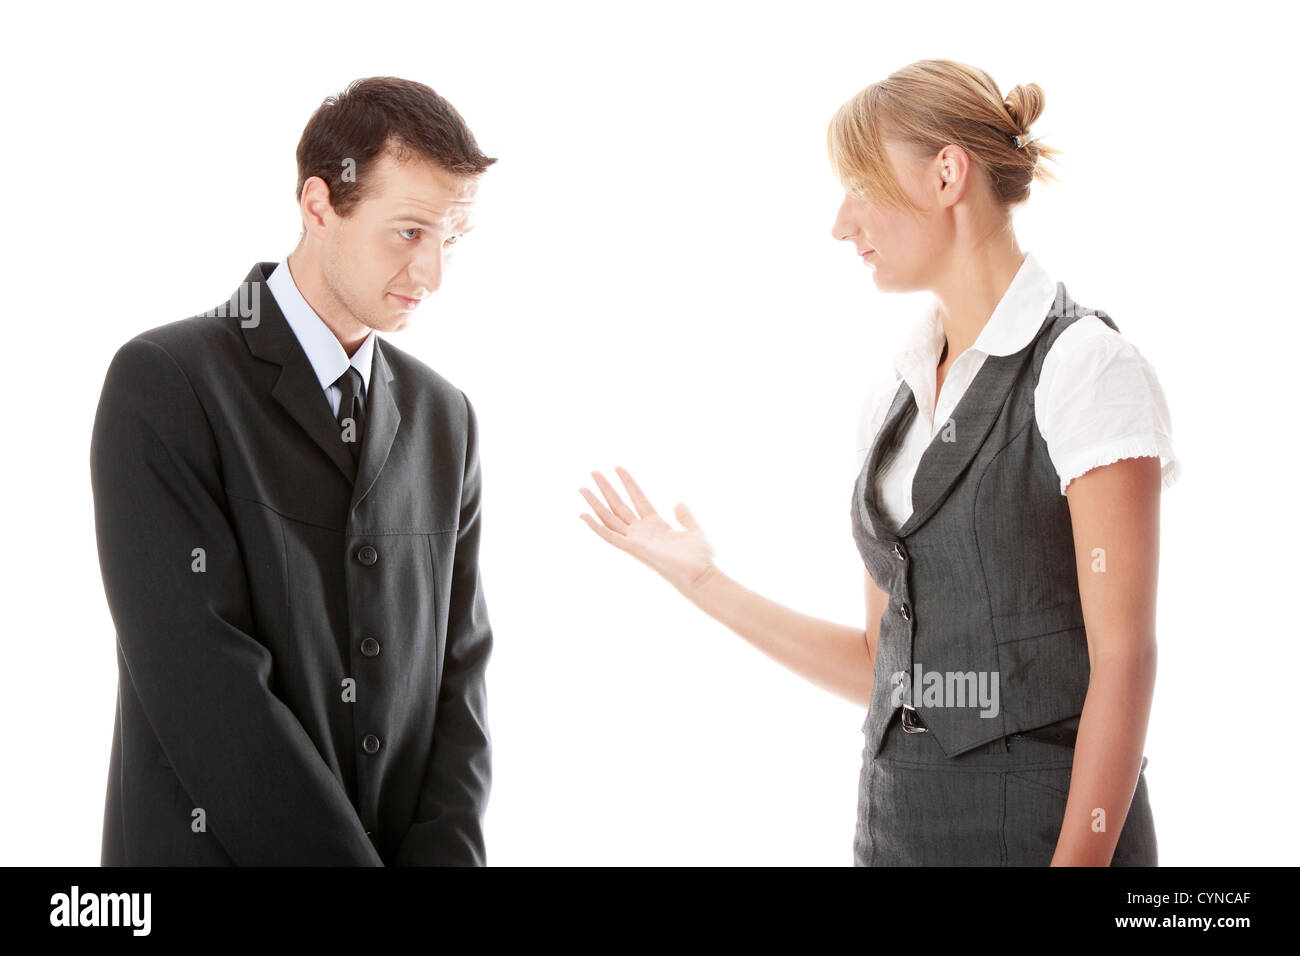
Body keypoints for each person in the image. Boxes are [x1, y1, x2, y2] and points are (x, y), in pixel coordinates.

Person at [578, 59, 1179, 866]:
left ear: (946, 175)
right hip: (894, 828)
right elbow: (880, 669)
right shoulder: (895, 397)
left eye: (860, 183)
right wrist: (701, 580)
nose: (840, 222)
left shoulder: (1085, 369)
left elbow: (1124, 659)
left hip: (1043, 837)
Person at [90, 76, 496, 865]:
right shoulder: (166, 381)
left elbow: (461, 682)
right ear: (319, 204)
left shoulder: (447, 417)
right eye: (410, 232)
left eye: (453, 239)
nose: (434, 274)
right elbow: (204, 683)